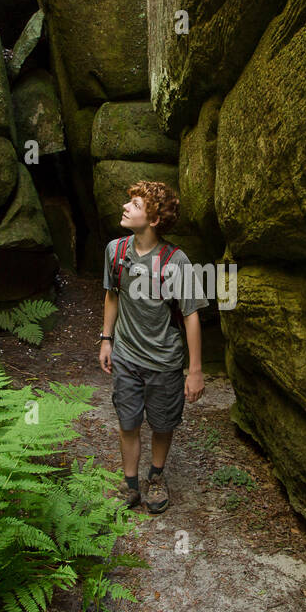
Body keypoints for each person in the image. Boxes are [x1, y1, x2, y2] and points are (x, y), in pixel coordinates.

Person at [99, 181, 208, 513]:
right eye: (129, 201)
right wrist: (106, 339)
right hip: (127, 356)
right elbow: (112, 295)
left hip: (164, 361)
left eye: (135, 203)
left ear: (155, 218)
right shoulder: (116, 252)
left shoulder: (176, 261)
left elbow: (190, 315)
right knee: (128, 422)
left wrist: (195, 370)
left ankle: (156, 477)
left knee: (162, 425)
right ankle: (130, 485)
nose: (126, 206)